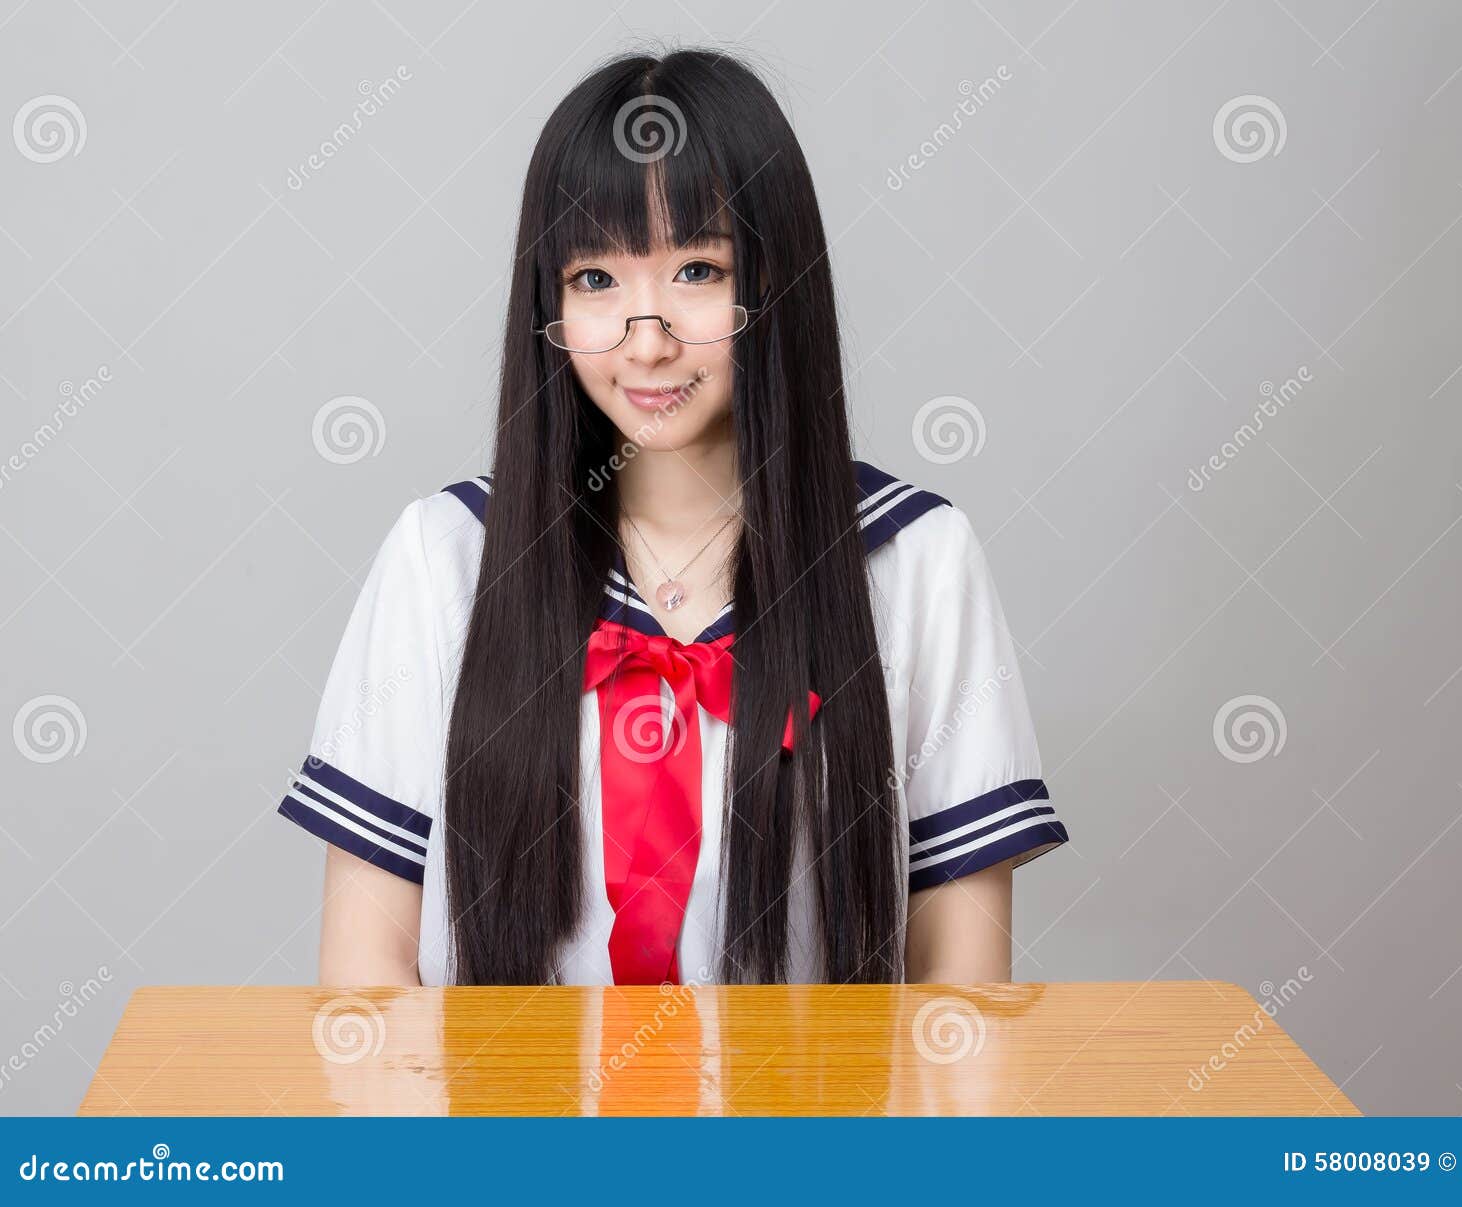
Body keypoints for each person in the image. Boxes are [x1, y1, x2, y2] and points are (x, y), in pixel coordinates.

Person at [276, 46, 1067, 987]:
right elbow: (367, 973)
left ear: (777, 284)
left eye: (697, 269)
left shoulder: (914, 561)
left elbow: (961, 988)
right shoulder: (446, 560)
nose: (646, 340)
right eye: (596, 281)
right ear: (551, 305)